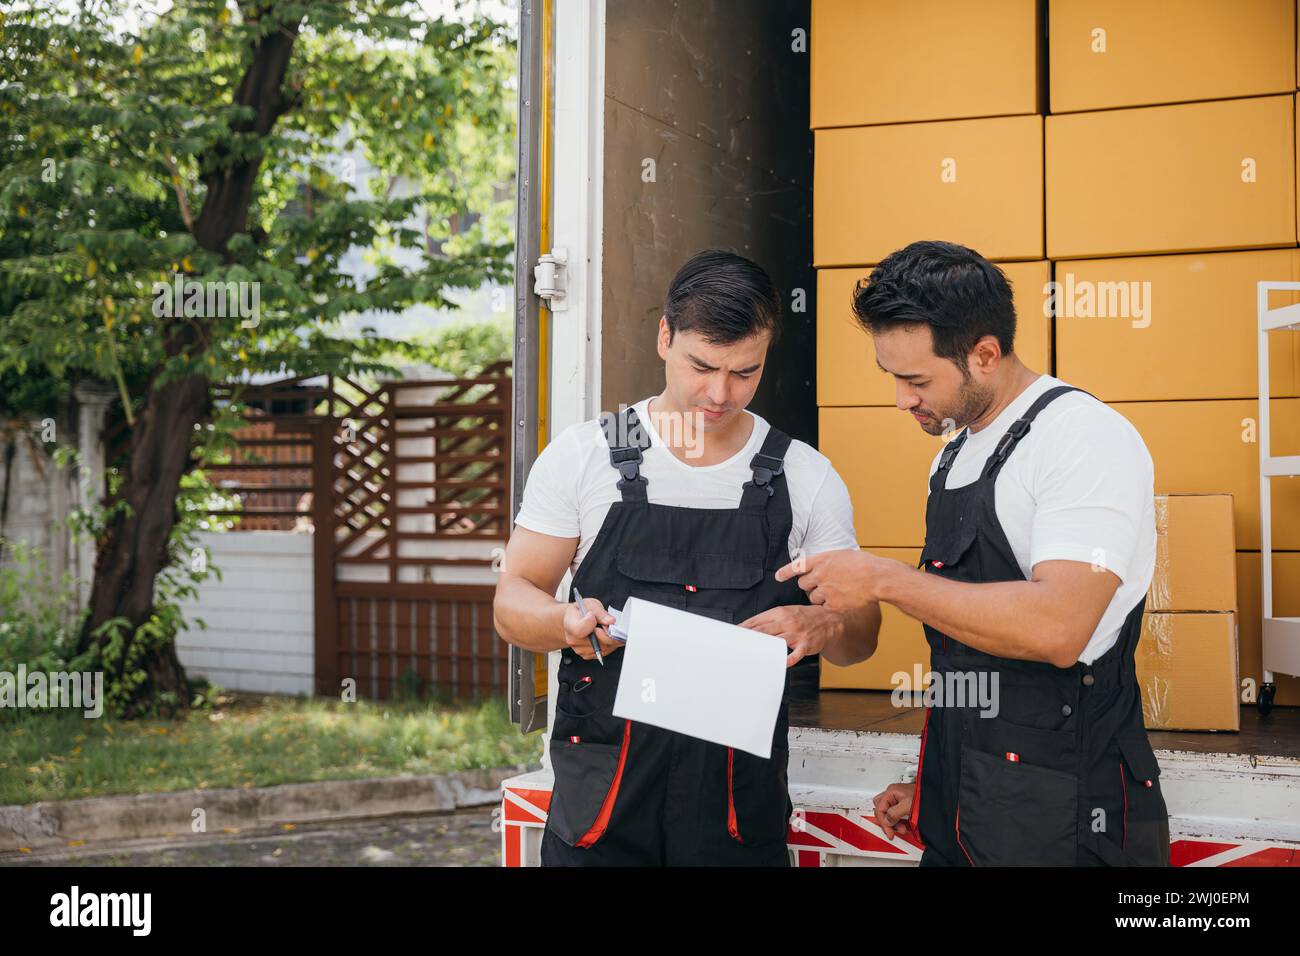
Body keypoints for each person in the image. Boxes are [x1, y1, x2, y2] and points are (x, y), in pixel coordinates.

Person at [779, 240, 1170, 866]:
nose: (902, 400)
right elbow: (967, 646)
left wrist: (886, 580)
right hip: (970, 811)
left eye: (916, 380)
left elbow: (1059, 628)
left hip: (1067, 821)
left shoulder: (1082, 438)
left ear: (984, 354)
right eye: (892, 378)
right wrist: (938, 779)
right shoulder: (954, 457)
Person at [494, 249, 879, 866]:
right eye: (703, 367)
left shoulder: (805, 475)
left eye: (744, 373)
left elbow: (861, 640)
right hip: (604, 796)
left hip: (734, 807)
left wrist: (825, 622)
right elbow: (513, 601)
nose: (720, 393)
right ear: (664, 336)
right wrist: (563, 623)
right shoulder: (587, 453)